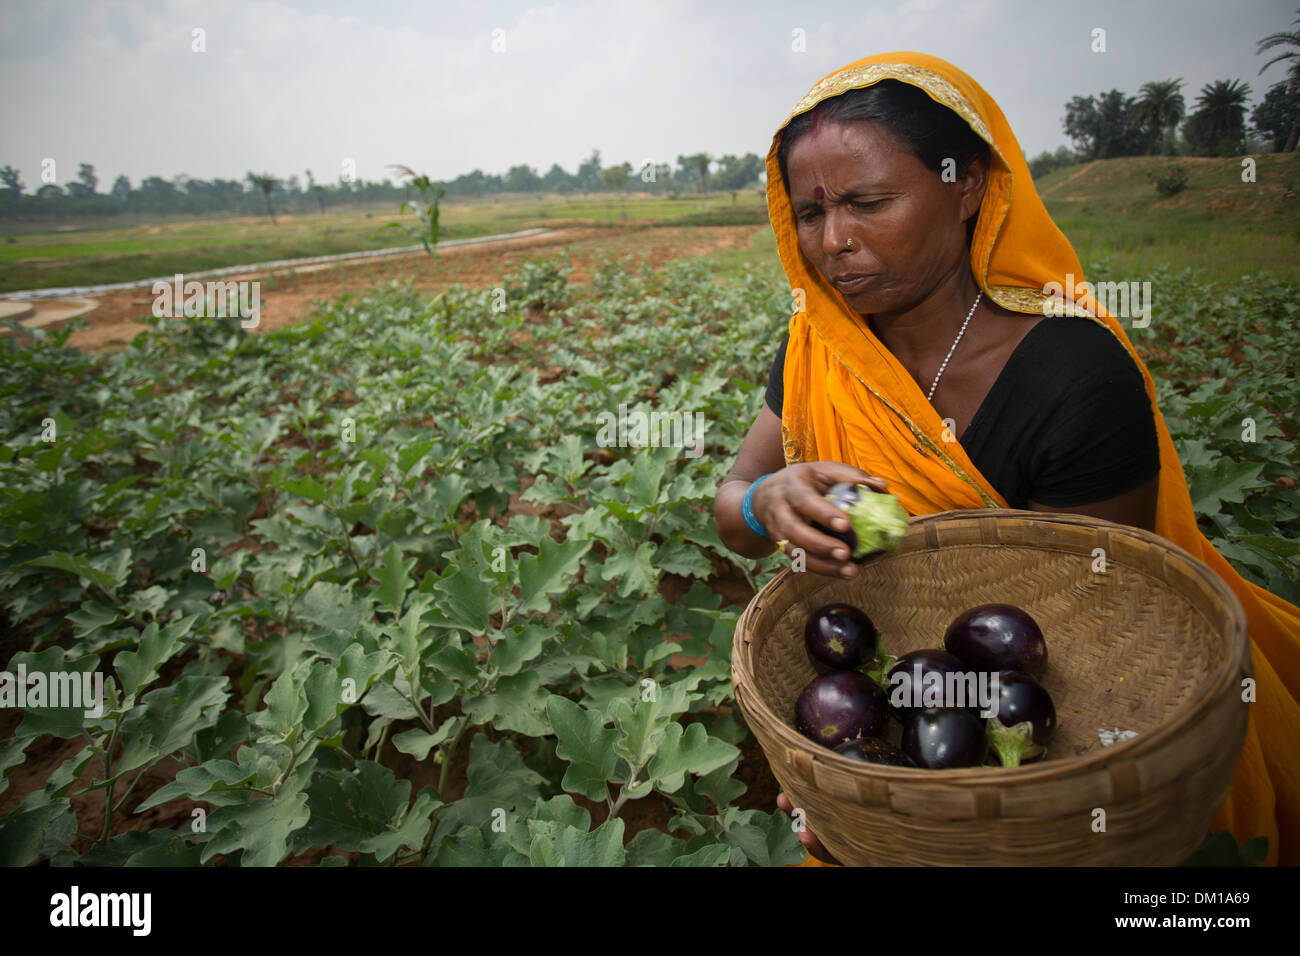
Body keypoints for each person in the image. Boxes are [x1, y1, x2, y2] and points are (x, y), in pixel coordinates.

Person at [713, 51, 1300, 866]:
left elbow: (1085, 649)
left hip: (1055, 782)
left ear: (968, 186)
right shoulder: (820, 347)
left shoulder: (1076, 380)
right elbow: (733, 507)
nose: (835, 242)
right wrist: (763, 501)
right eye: (810, 215)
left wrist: (908, 792)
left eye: (868, 202)